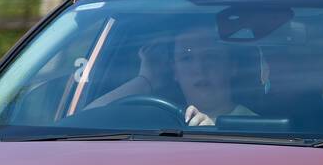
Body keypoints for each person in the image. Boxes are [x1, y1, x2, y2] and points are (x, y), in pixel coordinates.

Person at [89, 19, 256, 125]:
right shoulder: (156, 121)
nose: (199, 68)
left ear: (231, 67)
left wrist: (215, 135)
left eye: (210, 57)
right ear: (174, 71)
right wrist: (146, 79)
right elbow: (86, 119)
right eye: (186, 59)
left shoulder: (254, 125)